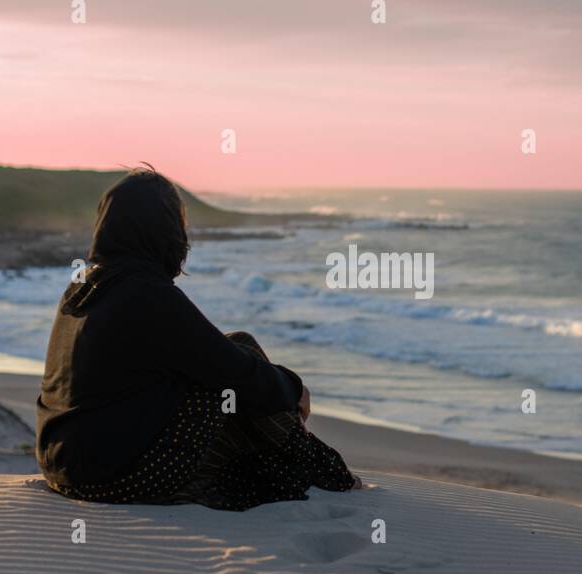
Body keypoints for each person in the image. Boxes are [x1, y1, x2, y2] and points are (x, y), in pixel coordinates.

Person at [36, 167, 358, 510]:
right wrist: (295, 389)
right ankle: (324, 468)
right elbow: (231, 369)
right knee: (238, 359)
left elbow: (205, 356)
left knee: (229, 361)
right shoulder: (146, 294)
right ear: (166, 231)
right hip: (114, 477)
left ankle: (306, 460)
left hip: (62, 466)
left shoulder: (84, 286)